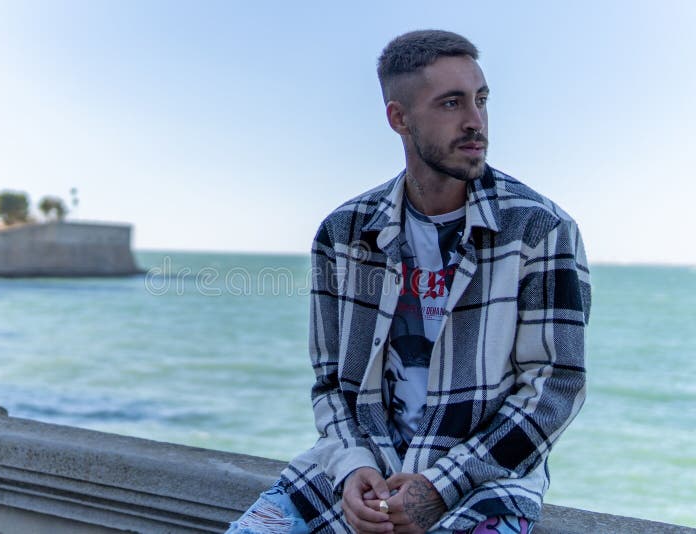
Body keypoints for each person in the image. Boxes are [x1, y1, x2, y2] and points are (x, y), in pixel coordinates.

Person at [228, 29, 590, 534]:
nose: (475, 122)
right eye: (450, 103)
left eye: (481, 100)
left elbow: (556, 388)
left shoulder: (539, 230)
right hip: (360, 471)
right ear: (399, 118)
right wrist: (351, 465)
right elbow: (331, 382)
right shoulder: (343, 233)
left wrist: (439, 485)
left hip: (482, 482)